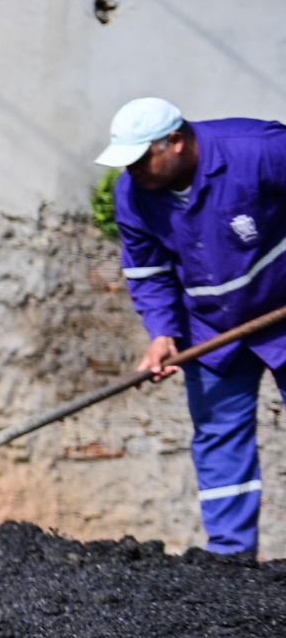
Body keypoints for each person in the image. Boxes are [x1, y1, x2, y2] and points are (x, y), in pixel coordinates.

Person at [102, 97, 286, 559]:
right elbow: (148, 271)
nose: (135, 172)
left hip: (281, 308)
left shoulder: (258, 150)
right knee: (220, 437)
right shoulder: (134, 193)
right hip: (211, 324)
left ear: (176, 142)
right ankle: (229, 559)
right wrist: (162, 333)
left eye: (142, 158)